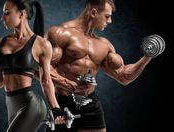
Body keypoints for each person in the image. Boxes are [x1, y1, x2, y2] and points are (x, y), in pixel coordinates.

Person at [45, 0, 157, 132]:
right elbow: (41, 70)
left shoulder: (104, 45)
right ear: (93, 12)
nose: (110, 21)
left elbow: (124, 77)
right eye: (107, 16)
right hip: (62, 103)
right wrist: (66, 84)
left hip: (90, 105)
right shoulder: (60, 33)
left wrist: (147, 56)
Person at [0, 0, 64, 131]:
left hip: (32, 104)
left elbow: (46, 81)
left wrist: (56, 108)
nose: (2, 18)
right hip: (11, 104)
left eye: (7, 13)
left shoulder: (42, 44)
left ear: (21, 14)